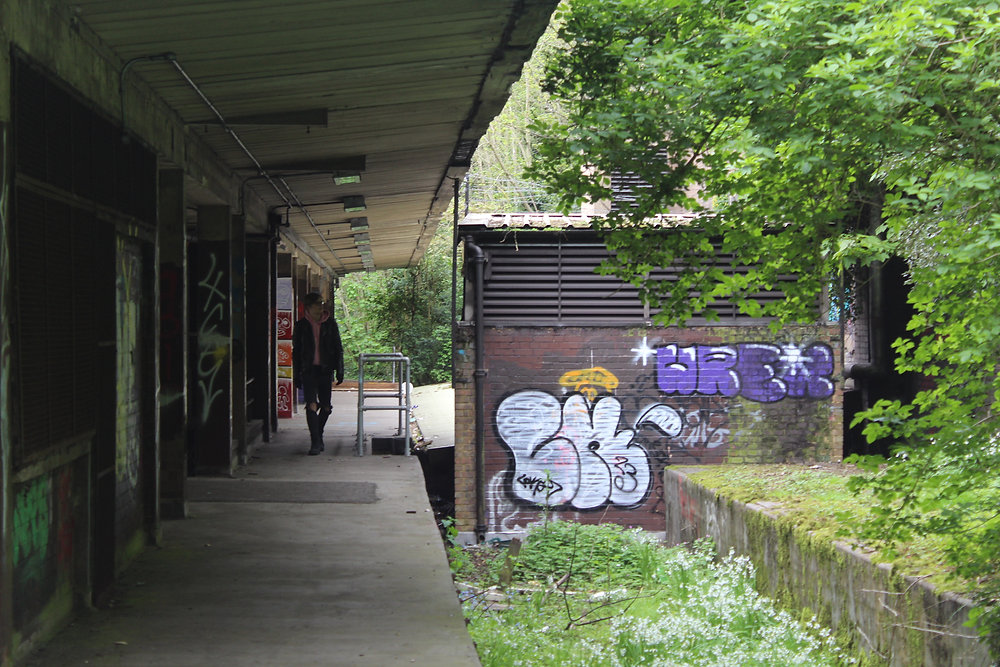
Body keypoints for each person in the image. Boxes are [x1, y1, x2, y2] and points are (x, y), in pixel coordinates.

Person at [293, 292, 345, 455]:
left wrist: (340, 369)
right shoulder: (301, 326)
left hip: (325, 369)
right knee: (311, 405)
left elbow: (338, 347)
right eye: (317, 304)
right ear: (308, 307)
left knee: (326, 407)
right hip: (308, 370)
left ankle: (319, 433)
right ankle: (315, 441)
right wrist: (296, 374)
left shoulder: (330, 324)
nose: (320, 307)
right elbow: (296, 352)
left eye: (321, 303)